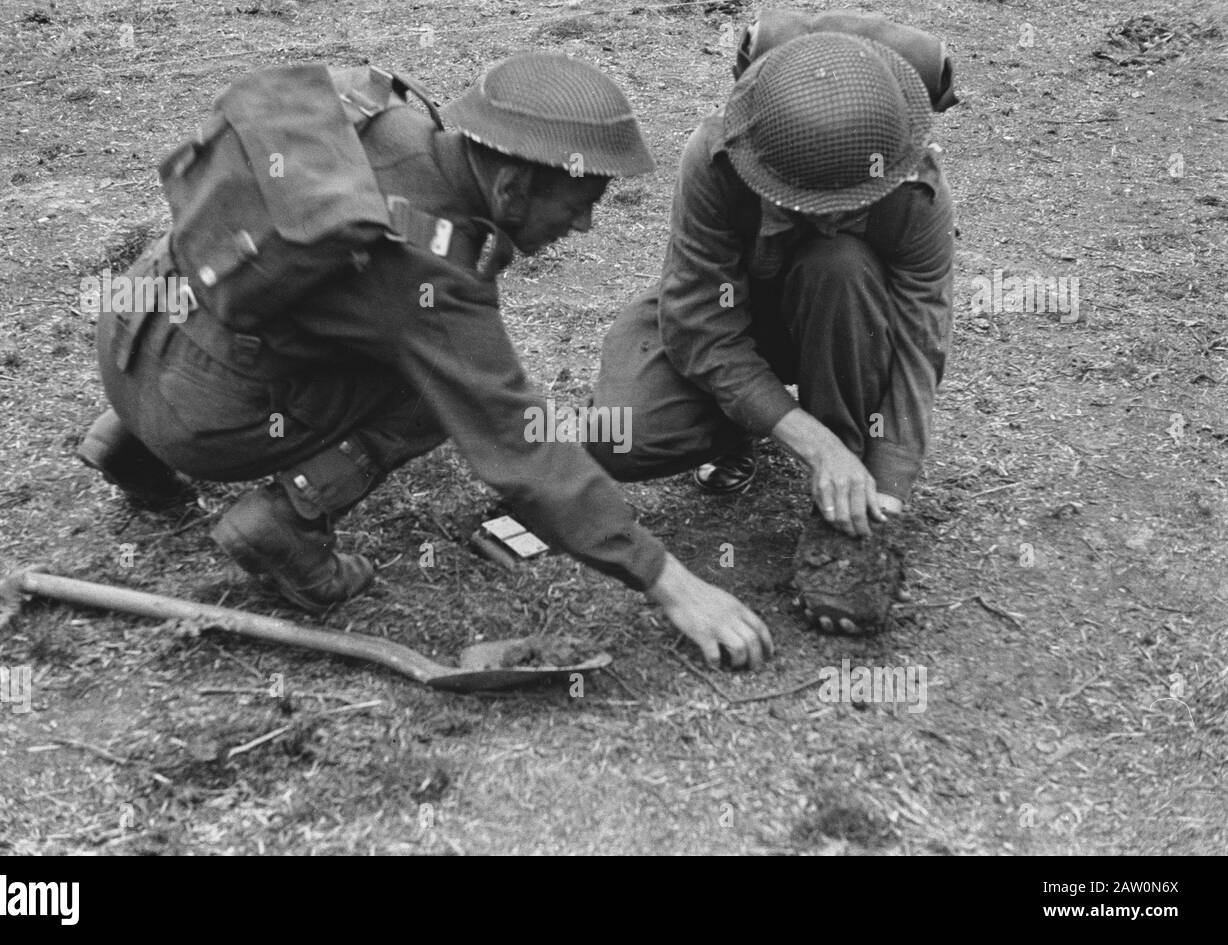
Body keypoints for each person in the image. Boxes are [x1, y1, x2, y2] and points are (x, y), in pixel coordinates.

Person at [78, 52, 772, 669]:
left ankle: (126, 441)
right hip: (201, 419)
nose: (585, 224)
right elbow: (518, 443)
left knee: (298, 306)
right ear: (511, 189)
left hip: (129, 337)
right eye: (583, 200)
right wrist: (671, 581)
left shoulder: (375, 109)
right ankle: (288, 520)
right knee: (438, 393)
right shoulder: (431, 268)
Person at [587, 28, 956, 635]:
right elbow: (700, 325)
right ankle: (767, 434)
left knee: (839, 263)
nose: (830, 215)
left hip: (839, 322)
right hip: (730, 319)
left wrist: (884, 491)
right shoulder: (718, 158)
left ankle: (843, 493)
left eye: (849, 203)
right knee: (621, 439)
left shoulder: (913, 192)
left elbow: (920, 344)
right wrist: (813, 444)